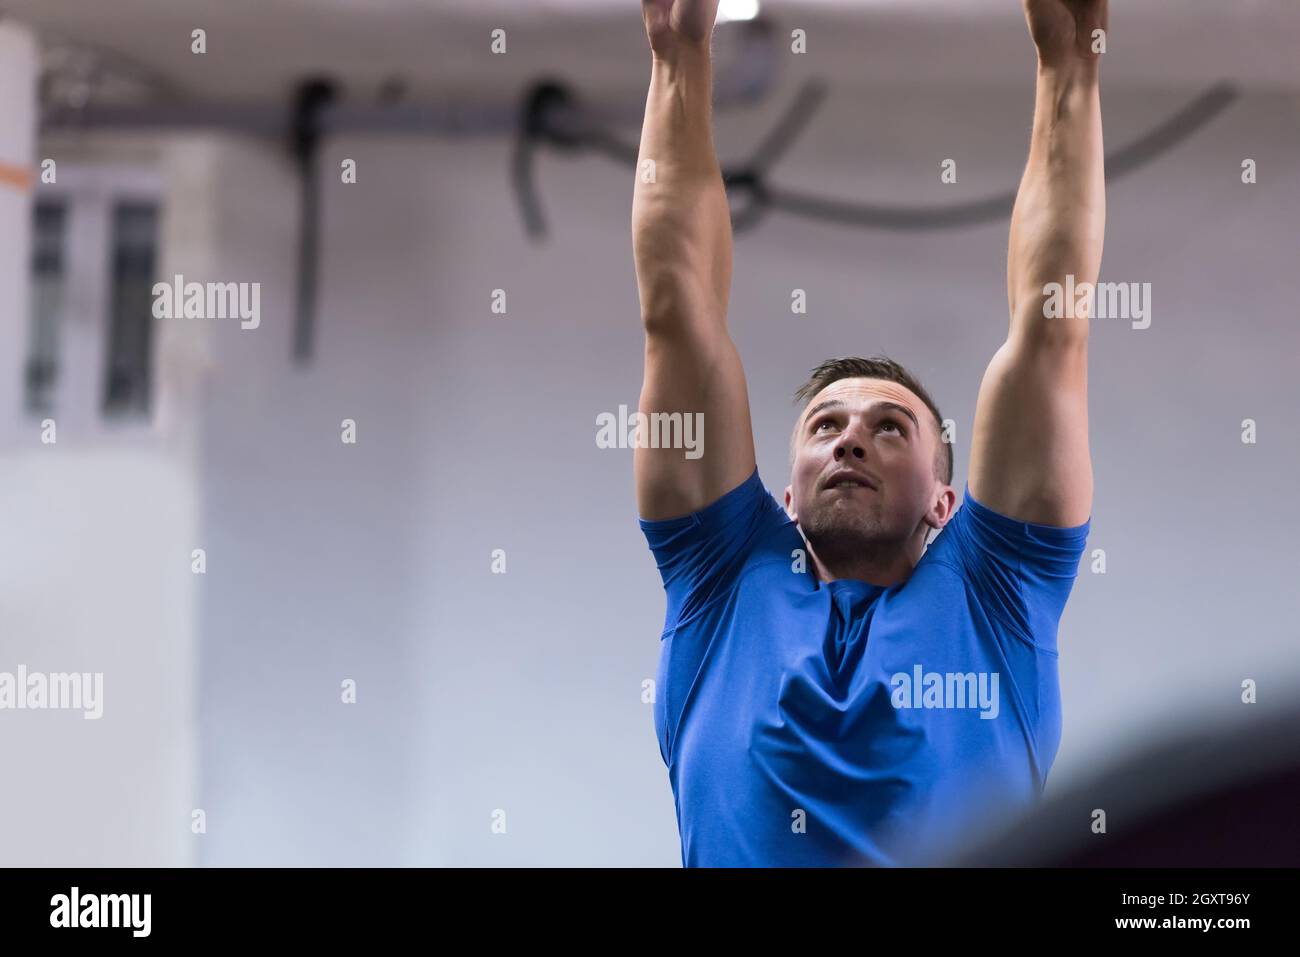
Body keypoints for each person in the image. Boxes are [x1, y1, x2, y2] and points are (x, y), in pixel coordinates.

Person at [632, 0, 1106, 866]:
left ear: (945, 497)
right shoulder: (722, 573)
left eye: (890, 428)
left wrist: (1068, 69)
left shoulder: (998, 591)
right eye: (825, 426)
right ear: (783, 492)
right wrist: (679, 54)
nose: (849, 441)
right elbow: (676, 309)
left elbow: (1051, 326)